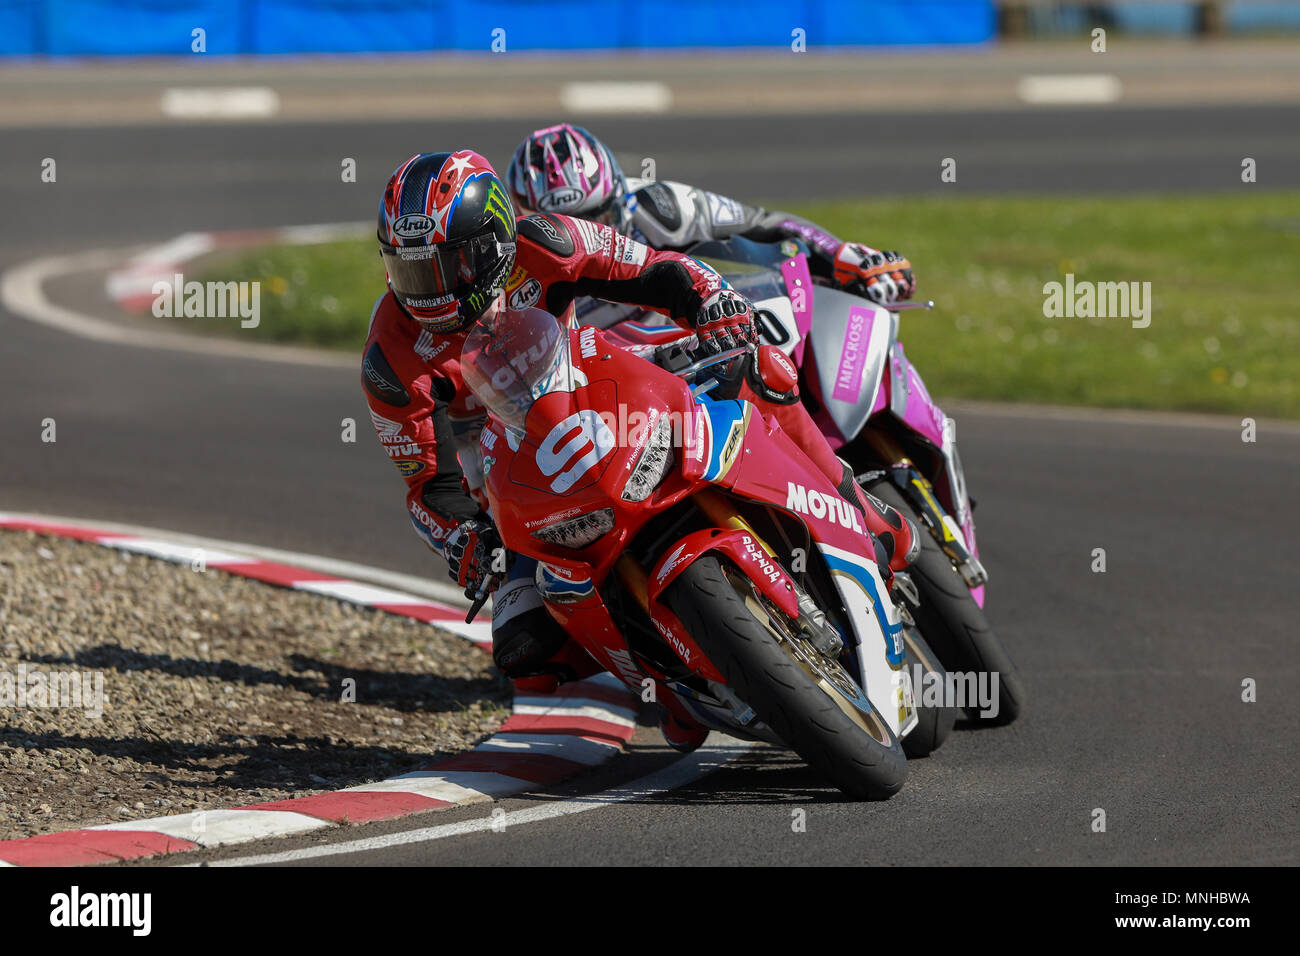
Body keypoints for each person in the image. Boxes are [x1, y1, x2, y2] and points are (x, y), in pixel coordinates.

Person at [363, 150, 913, 750]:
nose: (427, 292)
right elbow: (427, 484)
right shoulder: (389, 359)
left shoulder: (550, 239)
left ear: (492, 240)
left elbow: (659, 270)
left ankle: (852, 502)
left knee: (764, 368)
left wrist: (712, 304)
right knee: (525, 645)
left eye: (444, 267)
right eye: (410, 270)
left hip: (606, 375)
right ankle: (667, 684)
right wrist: (461, 536)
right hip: (511, 474)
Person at [505, 123, 915, 307]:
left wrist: (845, 255)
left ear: (618, 196)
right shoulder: (507, 270)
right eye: (561, 228)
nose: (588, 236)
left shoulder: (660, 205)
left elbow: (766, 224)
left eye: (597, 217)